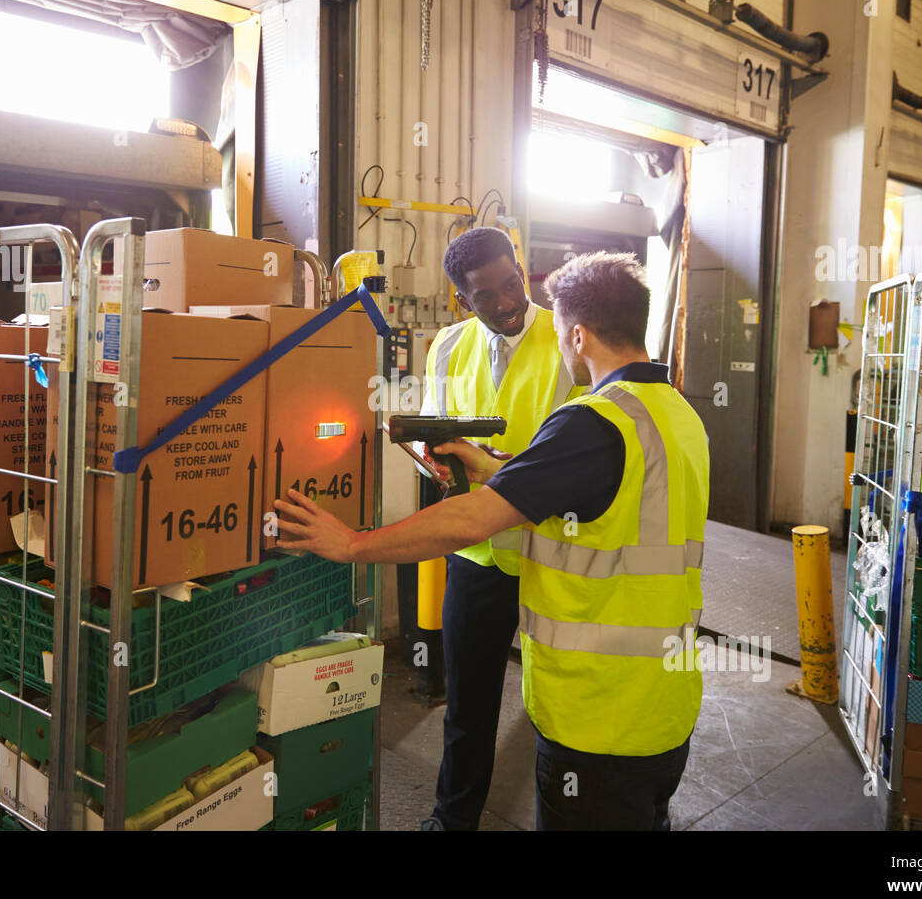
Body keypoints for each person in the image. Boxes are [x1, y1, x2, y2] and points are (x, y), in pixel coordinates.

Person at [277, 251, 709, 831]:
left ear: (577, 335)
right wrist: (493, 468)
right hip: (664, 707)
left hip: (597, 716)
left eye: (557, 328)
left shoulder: (594, 419)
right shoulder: (677, 414)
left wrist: (353, 543)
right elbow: (600, 497)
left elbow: (468, 522)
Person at [411, 227, 577, 831]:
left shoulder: (568, 344)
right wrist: (436, 455)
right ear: (462, 299)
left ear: (522, 270)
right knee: (470, 707)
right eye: (488, 295)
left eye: (513, 284)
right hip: (477, 556)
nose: (507, 302)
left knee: (560, 710)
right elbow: (439, 431)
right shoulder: (446, 349)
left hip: (553, 553)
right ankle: (452, 820)